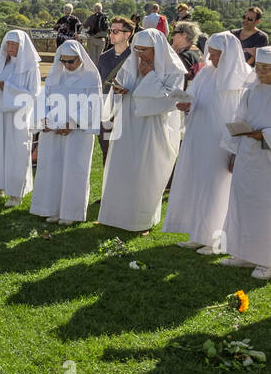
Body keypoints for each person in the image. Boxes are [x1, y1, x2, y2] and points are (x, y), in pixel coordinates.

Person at [163, 31, 252, 253]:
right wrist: (186, 105)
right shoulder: (205, 74)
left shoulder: (244, 79)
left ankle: (215, 239)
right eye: (209, 54)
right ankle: (198, 233)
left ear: (229, 55)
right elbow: (194, 98)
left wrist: (235, 149)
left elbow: (244, 116)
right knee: (198, 185)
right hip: (198, 138)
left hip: (222, 143)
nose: (211, 59)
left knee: (217, 188)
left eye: (215, 55)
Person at [97, 28, 186, 233]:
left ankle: (140, 221)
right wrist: (119, 90)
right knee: (122, 168)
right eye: (136, 49)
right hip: (127, 125)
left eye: (144, 50)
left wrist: (149, 76)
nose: (139, 54)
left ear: (156, 49)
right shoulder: (131, 64)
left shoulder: (174, 70)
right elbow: (120, 87)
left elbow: (169, 101)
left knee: (145, 173)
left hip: (152, 128)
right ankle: (114, 216)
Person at [29, 40, 100, 223]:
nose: (67, 66)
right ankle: (52, 208)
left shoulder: (91, 77)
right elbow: (43, 98)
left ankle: (71, 213)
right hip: (53, 132)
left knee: (74, 170)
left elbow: (92, 104)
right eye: (64, 61)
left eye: (71, 62)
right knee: (53, 168)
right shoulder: (55, 75)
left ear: (80, 59)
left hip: (77, 133)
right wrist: (44, 119)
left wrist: (72, 123)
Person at [218, 46, 271, 279]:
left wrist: (265, 134)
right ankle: (242, 252)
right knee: (241, 203)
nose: (261, 73)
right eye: (258, 68)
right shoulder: (251, 91)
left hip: (266, 159)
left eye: (266, 69)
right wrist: (235, 143)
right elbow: (239, 117)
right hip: (247, 155)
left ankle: (266, 260)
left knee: (264, 208)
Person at [0, 30, 40, 206]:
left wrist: (9, 88)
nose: (11, 48)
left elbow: (33, 94)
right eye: (9, 44)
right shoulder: (1, 65)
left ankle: (16, 192)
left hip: (17, 118)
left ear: (22, 46)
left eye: (14, 45)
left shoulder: (31, 67)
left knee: (16, 152)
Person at [95, 15, 135, 164]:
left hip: (127, 111)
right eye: (110, 30)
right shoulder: (104, 57)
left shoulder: (135, 57)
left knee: (126, 156)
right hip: (106, 111)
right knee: (107, 153)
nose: (111, 34)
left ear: (127, 34)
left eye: (116, 31)